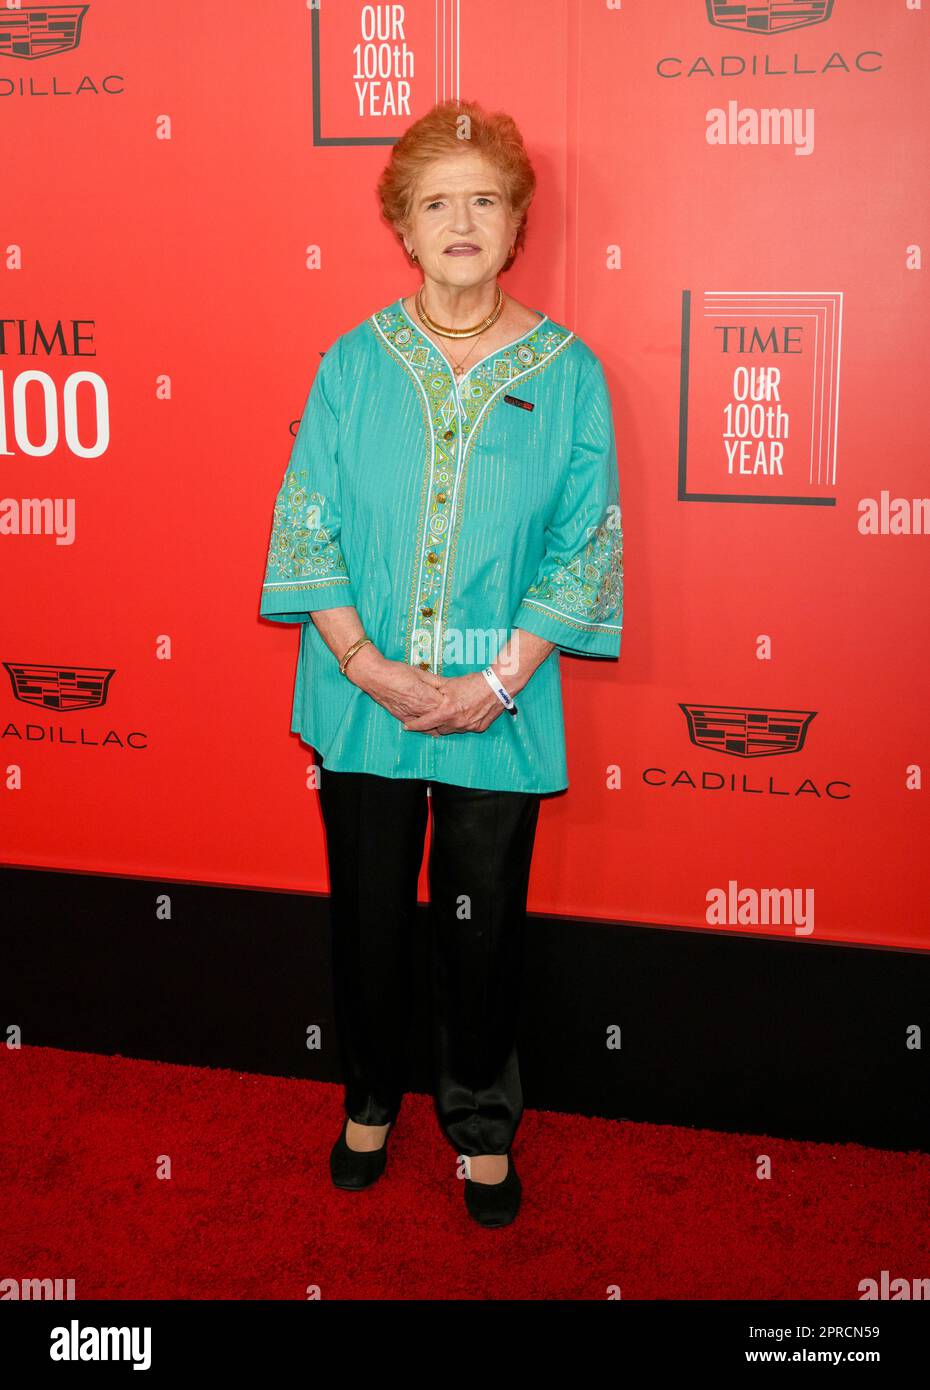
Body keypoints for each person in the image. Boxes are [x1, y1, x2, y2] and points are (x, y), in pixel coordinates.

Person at [258, 98, 623, 1228]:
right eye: (434, 202)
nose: (460, 219)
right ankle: (369, 1099)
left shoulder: (570, 372)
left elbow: (583, 542)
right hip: (359, 692)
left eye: (483, 199)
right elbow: (305, 519)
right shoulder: (352, 364)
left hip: (498, 703)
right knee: (367, 911)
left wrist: (493, 682)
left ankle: (478, 1123)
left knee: (484, 922)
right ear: (402, 228)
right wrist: (370, 668)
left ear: (517, 223)